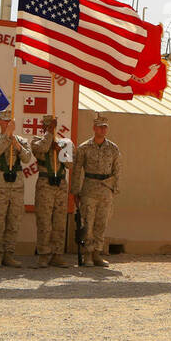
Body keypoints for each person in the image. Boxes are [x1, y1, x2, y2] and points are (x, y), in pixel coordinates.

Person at [0, 109, 34, 268]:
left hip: (17, 185)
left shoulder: (20, 140)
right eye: (4, 121)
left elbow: (27, 158)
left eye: (10, 122)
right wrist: (7, 136)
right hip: (0, 184)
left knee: (14, 219)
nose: (7, 124)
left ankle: (9, 254)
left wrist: (16, 144)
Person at [71, 112, 121, 267]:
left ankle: (97, 254)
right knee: (88, 223)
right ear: (94, 128)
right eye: (100, 127)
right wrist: (75, 191)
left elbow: (117, 169)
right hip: (89, 189)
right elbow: (77, 170)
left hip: (106, 189)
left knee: (102, 223)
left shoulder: (113, 148)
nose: (103, 130)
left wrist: (114, 188)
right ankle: (87, 255)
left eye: (105, 127)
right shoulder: (84, 148)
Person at [31, 114, 71, 268]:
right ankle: (43, 254)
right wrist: (49, 135)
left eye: (52, 126)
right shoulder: (36, 140)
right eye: (47, 126)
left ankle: (57, 254)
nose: (50, 129)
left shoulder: (65, 142)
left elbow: (69, 164)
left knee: (59, 222)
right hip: (45, 184)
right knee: (44, 221)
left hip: (60, 185)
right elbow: (41, 149)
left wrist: (60, 150)